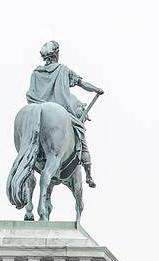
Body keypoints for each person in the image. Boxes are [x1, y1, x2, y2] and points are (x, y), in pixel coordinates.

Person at [26, 41, 102, 188]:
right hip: (61, 112)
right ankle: (88, 174)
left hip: (36, 109)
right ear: (56, 54)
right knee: (80, 133)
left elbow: (31, 93)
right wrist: (97, 89)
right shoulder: (63, 70)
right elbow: (82, 83)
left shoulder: (36, 73)